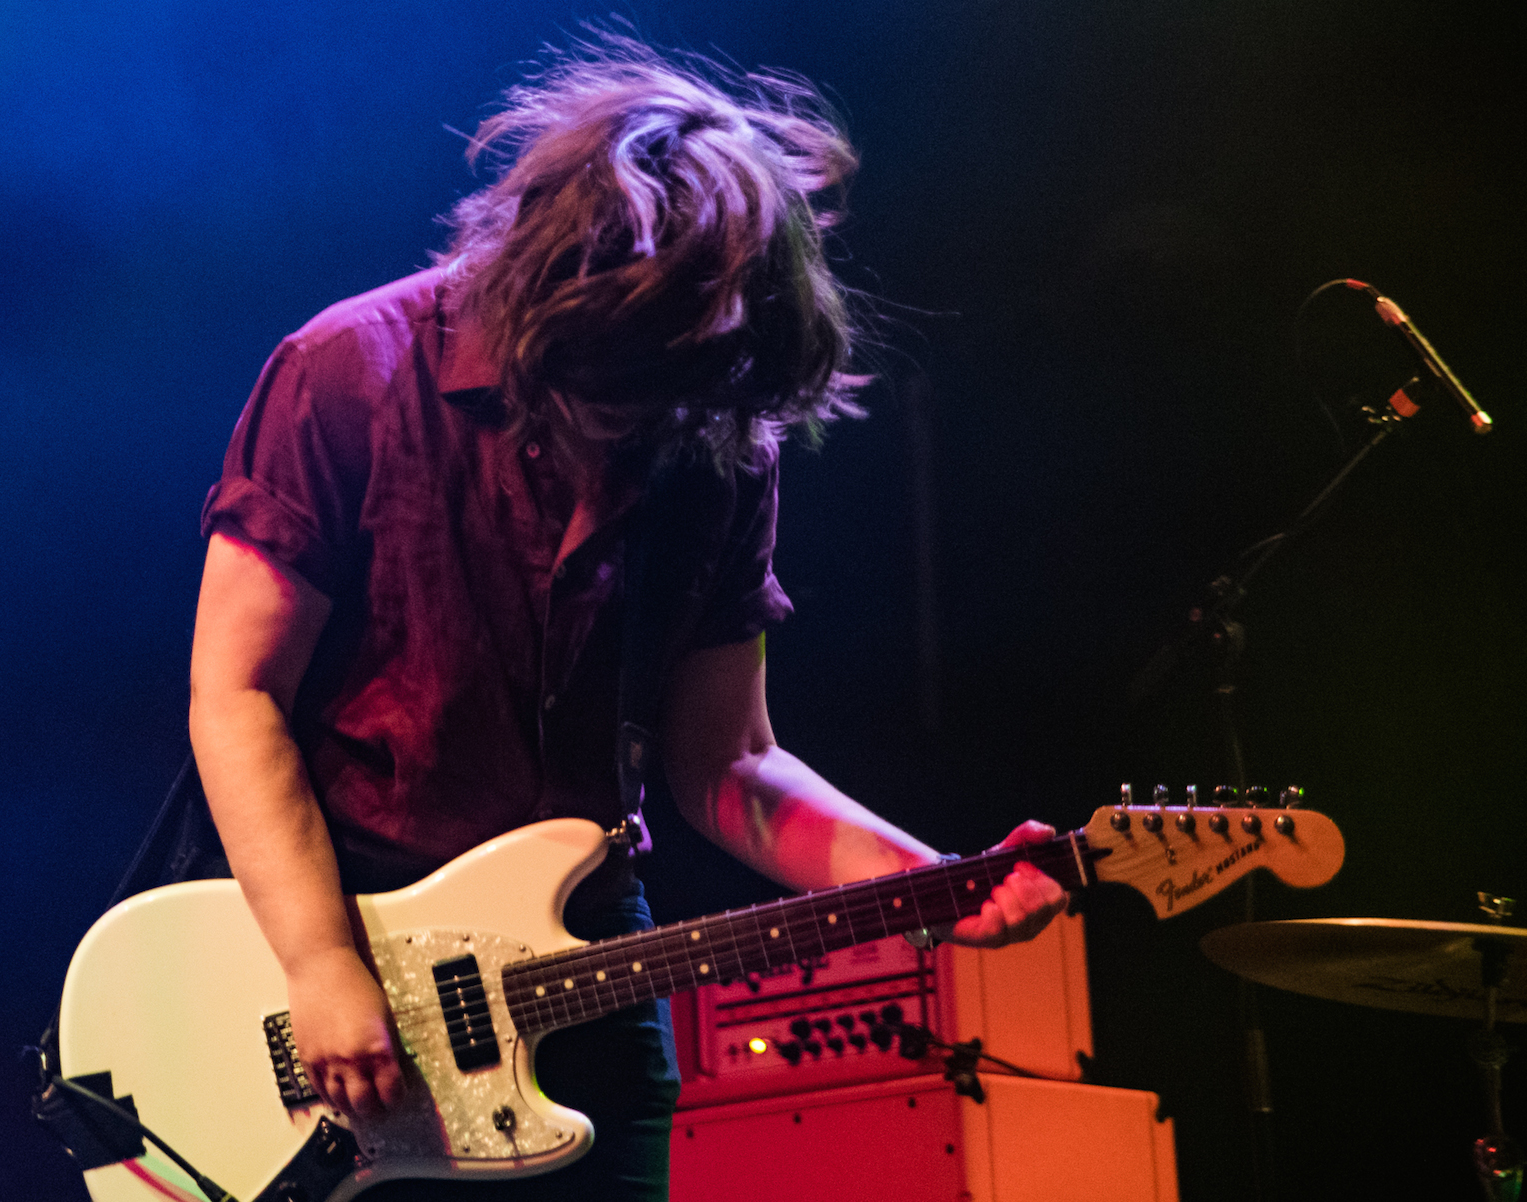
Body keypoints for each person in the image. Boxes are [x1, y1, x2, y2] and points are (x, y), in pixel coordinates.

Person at [186, 40, 1066, 1201]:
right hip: (347, 943)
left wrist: (932, 881)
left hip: (585, 976)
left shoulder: (717, 440)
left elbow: (729, 762)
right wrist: (319, 960)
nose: (639, 414)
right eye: (617, 375)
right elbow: (237, 691)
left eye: (678, 381)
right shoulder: (346, 372)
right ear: (554, 282)